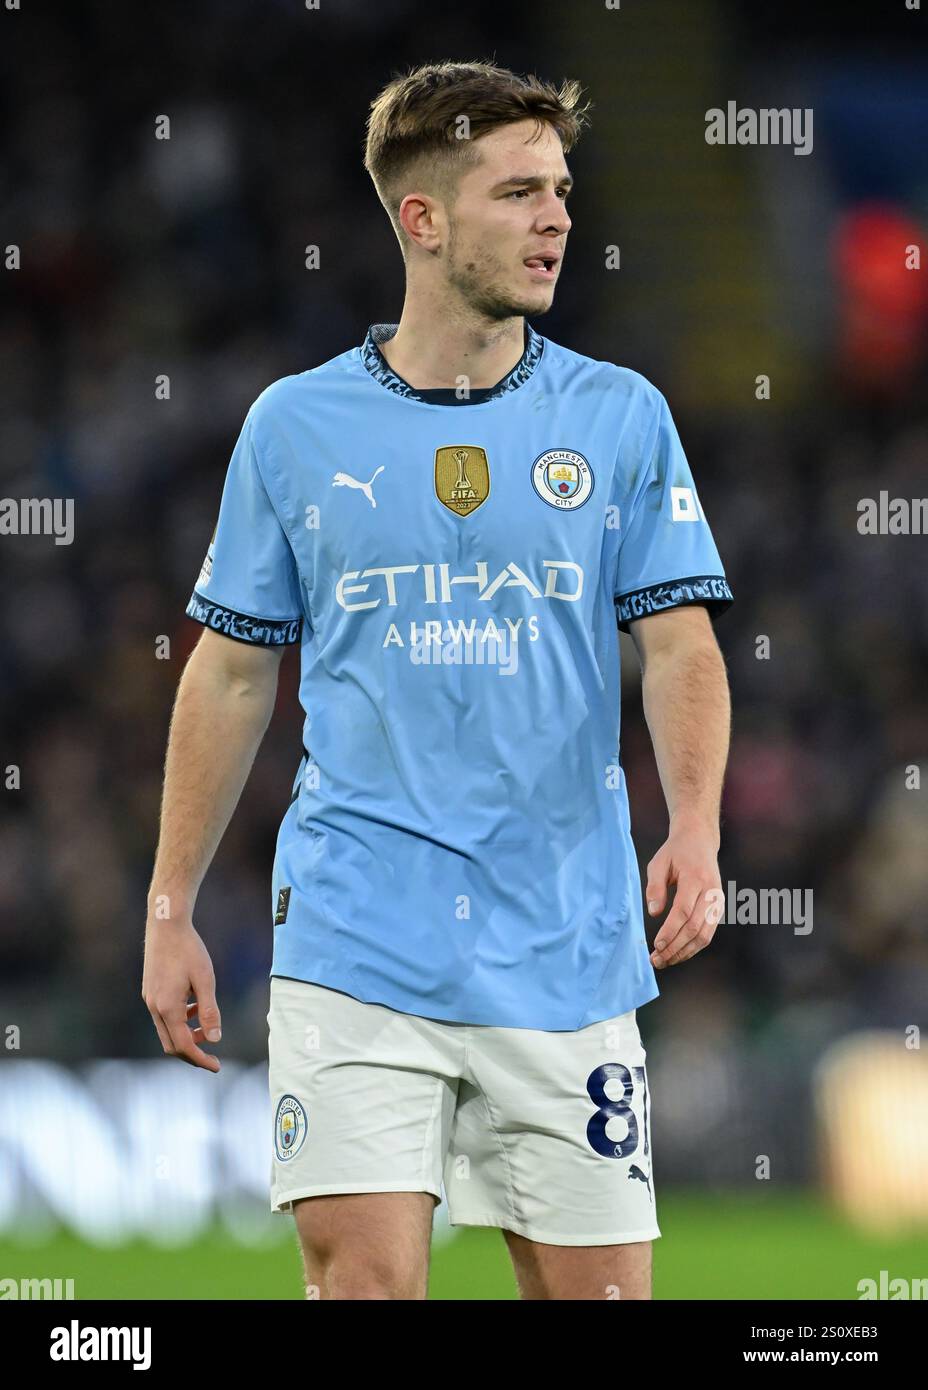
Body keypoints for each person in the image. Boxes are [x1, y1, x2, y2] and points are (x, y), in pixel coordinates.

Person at [143, 59, 733, 1301]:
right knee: (363, 1288)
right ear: (421, 218)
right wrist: (168, 905)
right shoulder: (293, 427)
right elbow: (233, 672)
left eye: (560, 189)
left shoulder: (619, 417)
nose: (556, 218)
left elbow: (679, 643)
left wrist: (695, 824)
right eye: (518, 192)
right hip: (356, 933)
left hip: (565, 939)